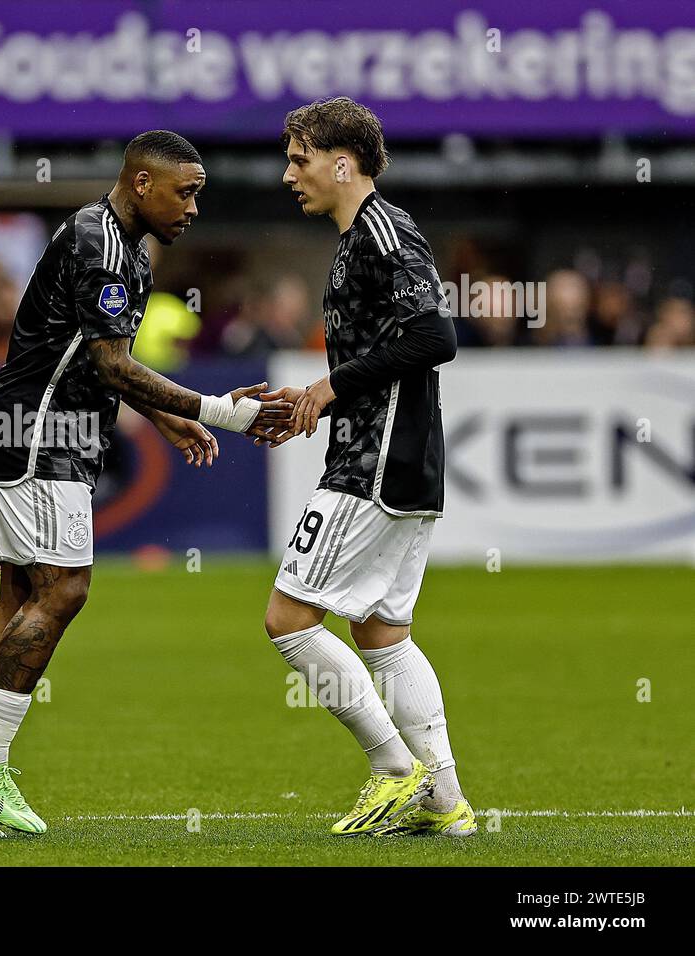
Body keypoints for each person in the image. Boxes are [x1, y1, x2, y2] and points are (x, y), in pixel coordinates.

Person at [0, 130, 293, 838]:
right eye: (186, 192)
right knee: (66, 589)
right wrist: (220, 412)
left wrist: (165, 418)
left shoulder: (118, 244)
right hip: (40, 432)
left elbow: (98, 361)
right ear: (143, 185)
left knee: (22, 596)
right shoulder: (102, 245)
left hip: (39, 427)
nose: (194, 208)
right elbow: (112, 365)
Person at [260, 97, 474, 837]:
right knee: (385, 633)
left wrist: (332, 386)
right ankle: (445, 805)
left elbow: (435, 337)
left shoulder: (383, 231)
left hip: (380, 458)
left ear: (342, 162)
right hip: (399, 455)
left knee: (288, 618)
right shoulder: (362, 237)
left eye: (300, 157)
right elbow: (386, 350)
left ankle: (392, 771)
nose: (289, 173)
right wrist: (316, 395)